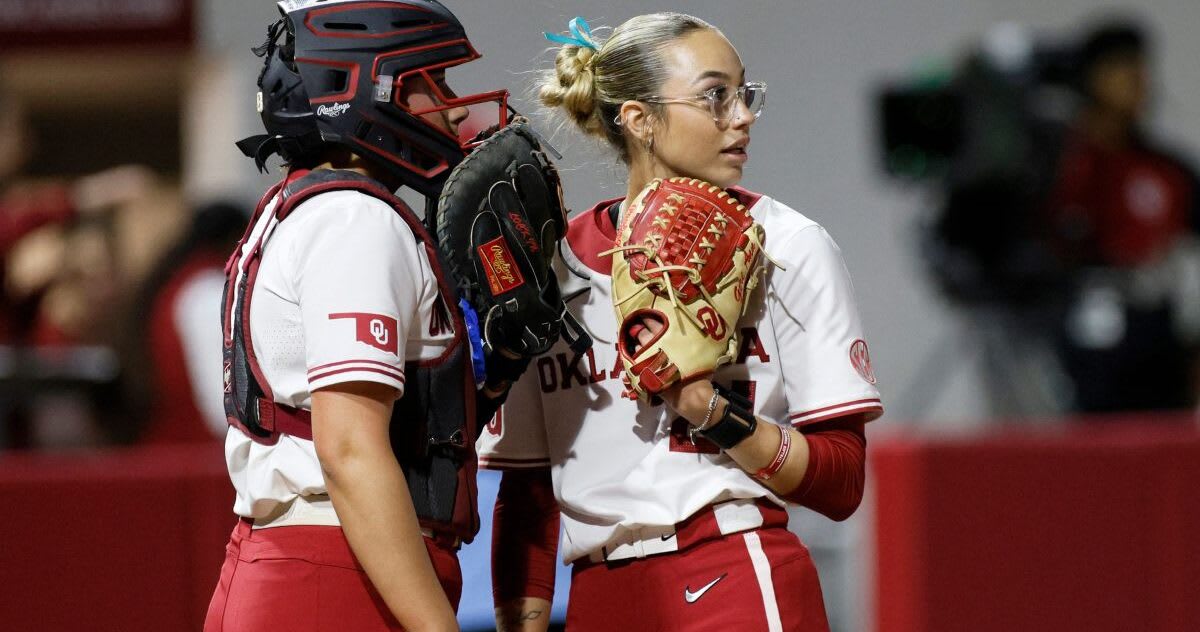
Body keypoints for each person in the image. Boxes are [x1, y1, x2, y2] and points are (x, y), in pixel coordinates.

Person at [480, 13, 883, 632]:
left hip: (730, 569)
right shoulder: (553, 269)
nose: (742, 116)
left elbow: (842, 482)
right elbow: (529, 495)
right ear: (639, 119)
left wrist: (707, 408)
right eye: (714, 96)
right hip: (597, 596)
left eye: (745, 94)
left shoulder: (786, 244)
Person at [203, 1, 515, 630]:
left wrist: (498, 370)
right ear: (368, 86)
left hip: (314, 557)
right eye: (434, 81)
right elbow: (349, 450)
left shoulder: (304, 203)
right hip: (338, 568)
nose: (456, 108)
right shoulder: (354, 217)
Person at [1045, 18, 1200, 413]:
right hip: (1080, 330)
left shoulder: (1166, 170)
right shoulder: (1057, 167)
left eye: (1139, 65)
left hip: (1158, 331)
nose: (1136, 78)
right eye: (1118, 66)